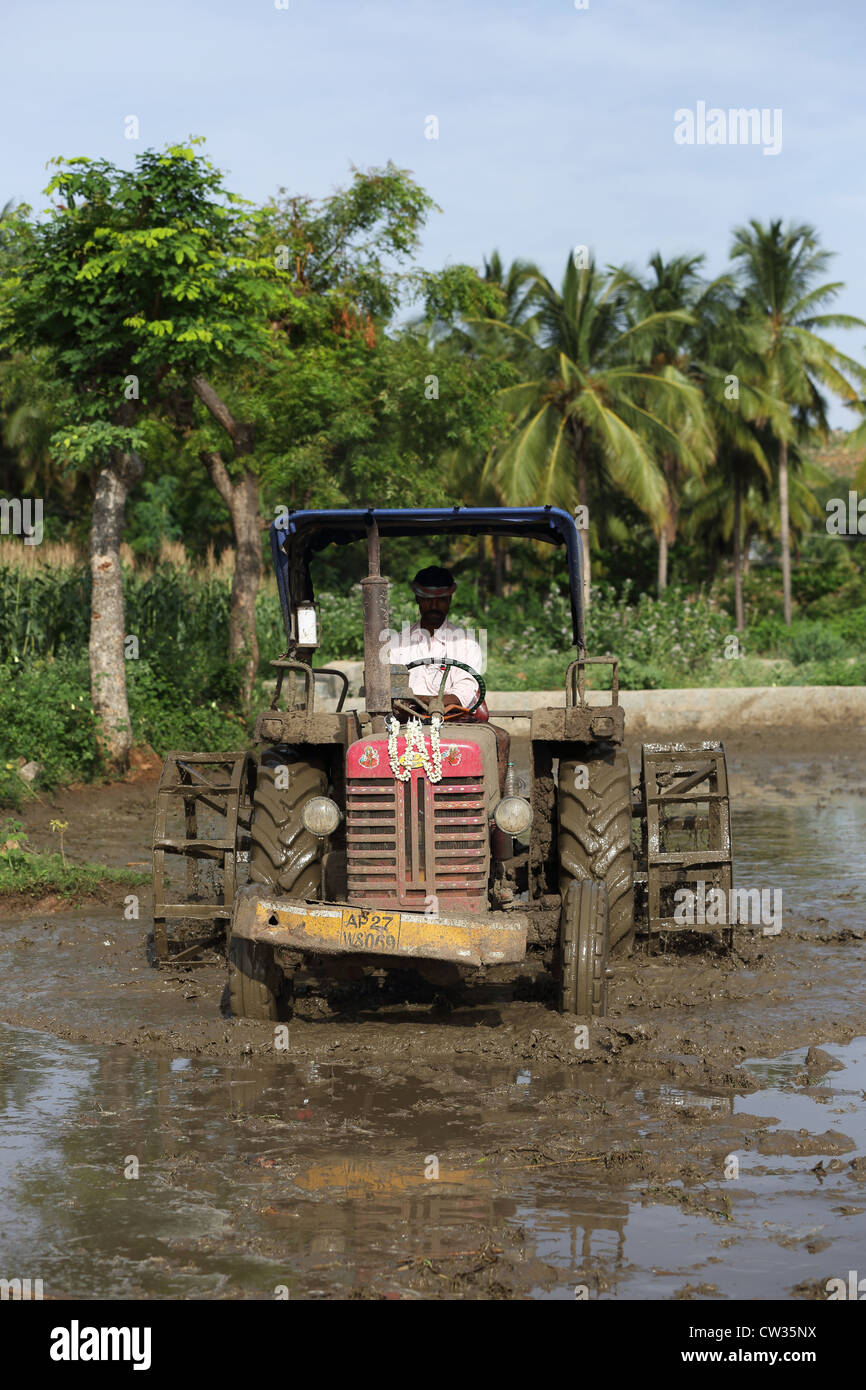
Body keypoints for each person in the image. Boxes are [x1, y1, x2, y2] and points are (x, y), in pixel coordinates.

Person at [387, 565, 484, 713]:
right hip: (405, 720)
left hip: (453, 719)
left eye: (441, 600)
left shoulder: (467, 644)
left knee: (501, 736)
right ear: (417, 598)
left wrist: (421, 700)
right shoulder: (396, 644)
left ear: (450, 599)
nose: (434, 606)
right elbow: (391, 691)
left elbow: (464, 692)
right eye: (428, 600)